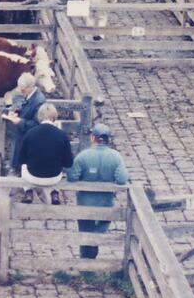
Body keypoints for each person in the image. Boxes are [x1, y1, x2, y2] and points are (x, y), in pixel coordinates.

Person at [67, 124, 129, 259]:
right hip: (105, 203)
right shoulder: (116, 157)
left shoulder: (83, 156)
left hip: (85, 203)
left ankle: (86, 264)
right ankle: (94, 247)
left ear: (93, 138)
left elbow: (72, 177)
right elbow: (122, 179)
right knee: (100, 229)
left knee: (85, 234)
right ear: (108, 139)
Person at [20, 103, 74, 203]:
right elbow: (68, 163)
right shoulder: (62, 135)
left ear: (39, 116)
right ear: (54, 117)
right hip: (54, 178)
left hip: (33, 177)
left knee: (23, 166)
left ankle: (28, 191)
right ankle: (55, 192)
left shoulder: (30, 133)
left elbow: (21, 159)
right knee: (58, 168)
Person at [5, 72, 46, 173]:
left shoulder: (39, 100)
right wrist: (16, 112)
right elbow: (25, 106)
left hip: (29, 138)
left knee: (24, 166)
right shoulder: (30, 95)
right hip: (23, 135)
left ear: (31, 86)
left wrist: (20, 121)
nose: (21, 91)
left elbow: (37, 124)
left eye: (23, 89)